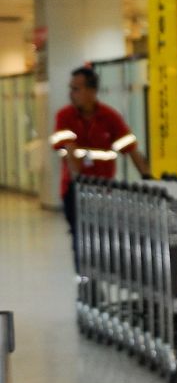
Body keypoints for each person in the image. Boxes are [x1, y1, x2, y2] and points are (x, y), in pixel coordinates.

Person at [49, 65, 150, 269]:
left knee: (102, 235)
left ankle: (99, 273)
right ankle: (86, 281)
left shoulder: (109, 117)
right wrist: (79, 180)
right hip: (74, 189)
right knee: (80, 235)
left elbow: (131, 149)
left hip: (103, 189)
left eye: (76, 89)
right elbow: (69, 151)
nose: (71, 94)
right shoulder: (65, 116)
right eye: (71, 88)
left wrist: (149, 178)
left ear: (91, 91)